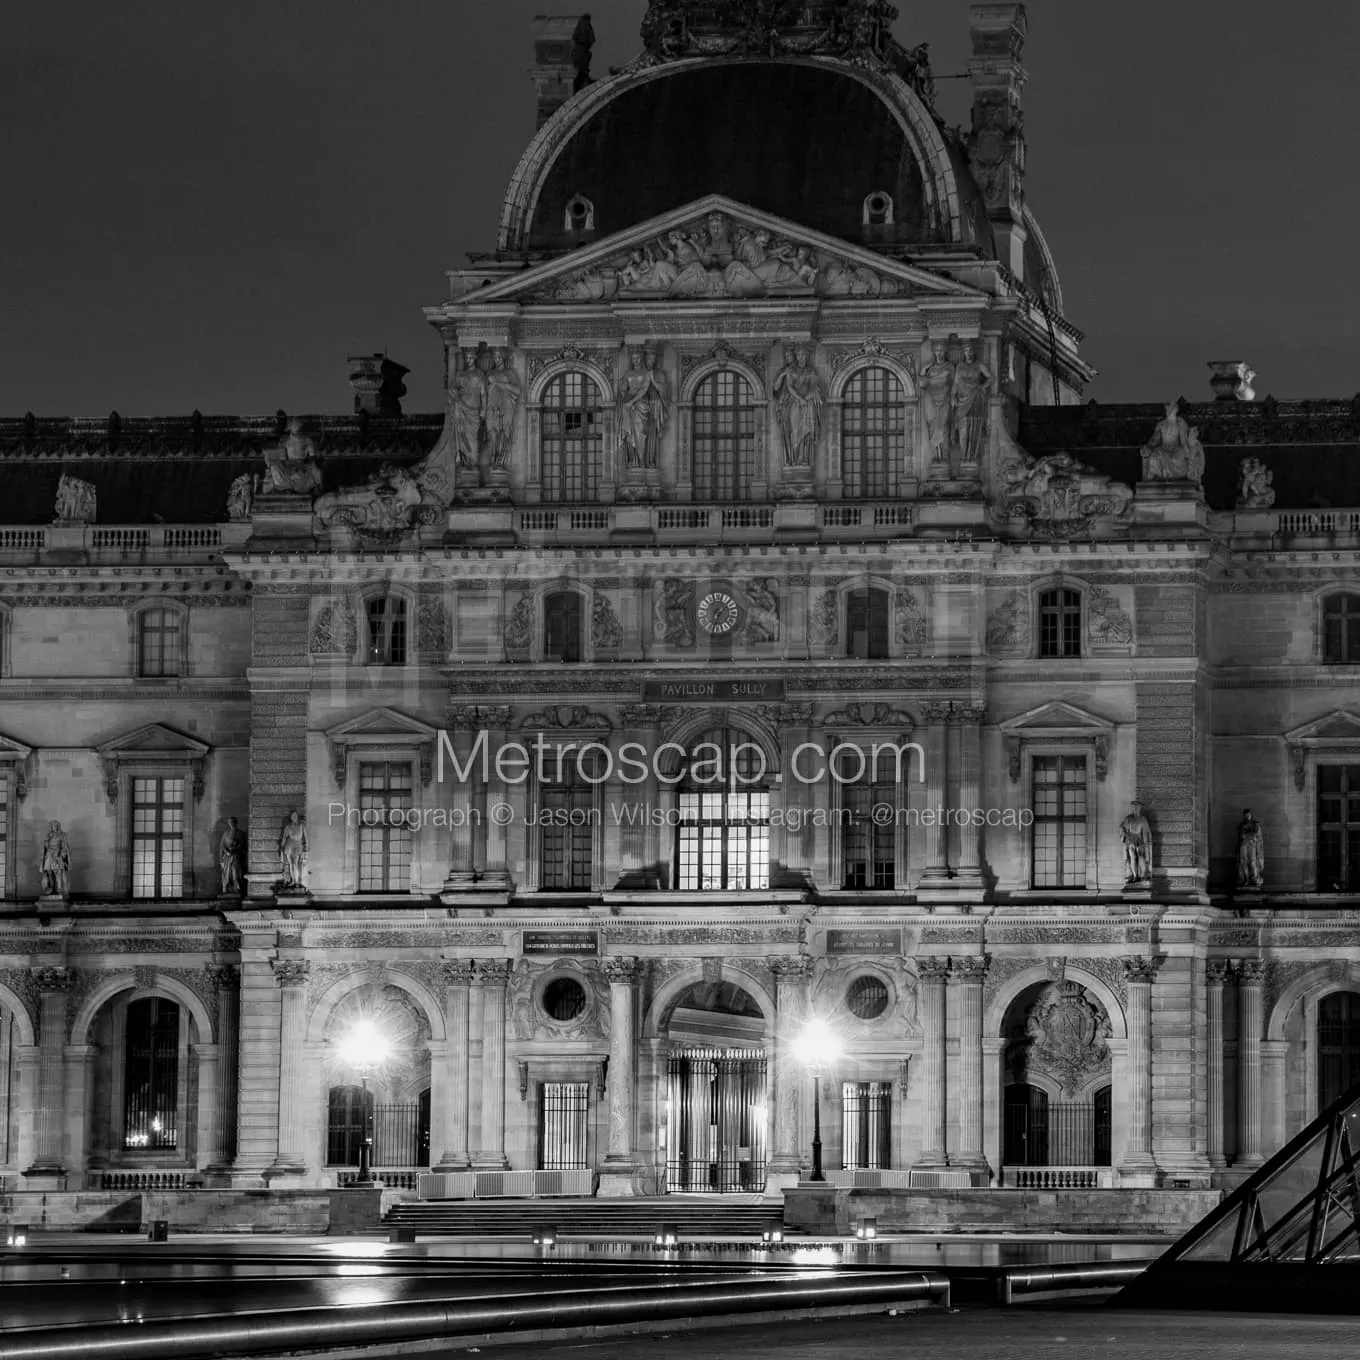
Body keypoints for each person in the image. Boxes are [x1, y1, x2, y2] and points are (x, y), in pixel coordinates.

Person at [772, 345, 825, 467]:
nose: (800, 357)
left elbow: (814, 387)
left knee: (806, 430)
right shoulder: (789, 371)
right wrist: (800, 399)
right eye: (798, 355)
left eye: (802, 355)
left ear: (806, 356)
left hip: (806, 404)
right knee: (794, 431)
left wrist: (806, 399)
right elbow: (785, 387)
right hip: (794, 403)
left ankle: (803, 458)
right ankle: (793, 459)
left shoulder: (810, 371)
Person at [617, 348, 669, 470]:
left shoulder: (646, 373)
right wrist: (623, 390)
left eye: (638, 358)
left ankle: (642, 462)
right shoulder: (628, 373)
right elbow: (623, 388)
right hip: (628, 406)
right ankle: (634, 461)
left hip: (642, 404)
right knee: (629, 434)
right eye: (633, 358)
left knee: (641, 433)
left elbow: (644, 390)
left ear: (642, 359)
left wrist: (631, 401)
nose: (635, 360)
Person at [1119, 801, 1153, 883]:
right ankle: (1134, 875)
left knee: (1141, 857)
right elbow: (1121, 827)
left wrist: (1146, 842)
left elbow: (1147, 831)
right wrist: (1125, 835)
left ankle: (1143, 875)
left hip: (1140, 841)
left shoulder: (1142, 819)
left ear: (1139, 809)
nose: (1135, 809)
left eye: (1136, 808)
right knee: (1132, 858)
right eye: (1133, 808)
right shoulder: (1128, 818)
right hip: (1130, 841)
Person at [279, 811, 309, 890]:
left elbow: (306, 836)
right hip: (289, 846)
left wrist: (307, 845)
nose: (294, 817)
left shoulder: (301, 825)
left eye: (295, 815)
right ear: (290, 817)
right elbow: (284, 838)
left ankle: (297, 881)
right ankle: (293, 881)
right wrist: (281, 847)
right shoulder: (288, 827)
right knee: (291, 864)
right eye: (292, 816)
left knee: (296, 864)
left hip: (298, 845)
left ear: (297, 816)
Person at [40, 821, 71, 897]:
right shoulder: (49, 835)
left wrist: (61, 855)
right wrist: (46, 845)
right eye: (52, 826)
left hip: (57, 855)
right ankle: (51, 888)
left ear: (57, 826)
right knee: (49, 872)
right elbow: (45, 845)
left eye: (55, 825)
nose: (53, 827)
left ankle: (59, 889)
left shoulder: (62, 835)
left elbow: (65, 847)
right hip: (49, 855)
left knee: (58, 872)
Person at [1236, 808, 1265, 889]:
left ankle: (1254, 879)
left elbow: (1256, 835)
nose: (1247, 817)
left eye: (1248, 815)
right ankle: (1246, 879)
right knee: (1243, 863)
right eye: (1245, 815)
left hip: (1252, 845)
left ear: (1251, 815)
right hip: (1244, 845)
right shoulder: (1241, 825)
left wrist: (1248, 836)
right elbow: (1241, 836)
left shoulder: (1255, 825)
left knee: (1252, 862)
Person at [219, 816, 246, 895]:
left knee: (235, 871)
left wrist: (235, 849)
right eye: (230, 822)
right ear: (228, 823)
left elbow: (243, 845)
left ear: (236, 823)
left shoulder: (241, 833)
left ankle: (237, 888)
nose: (232, 824)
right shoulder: (226, 833)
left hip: (236, 856)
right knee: (226, 873)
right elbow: (222, 845)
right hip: (227, 857)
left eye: (233, 822)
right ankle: (226, 888)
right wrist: (226, 852)